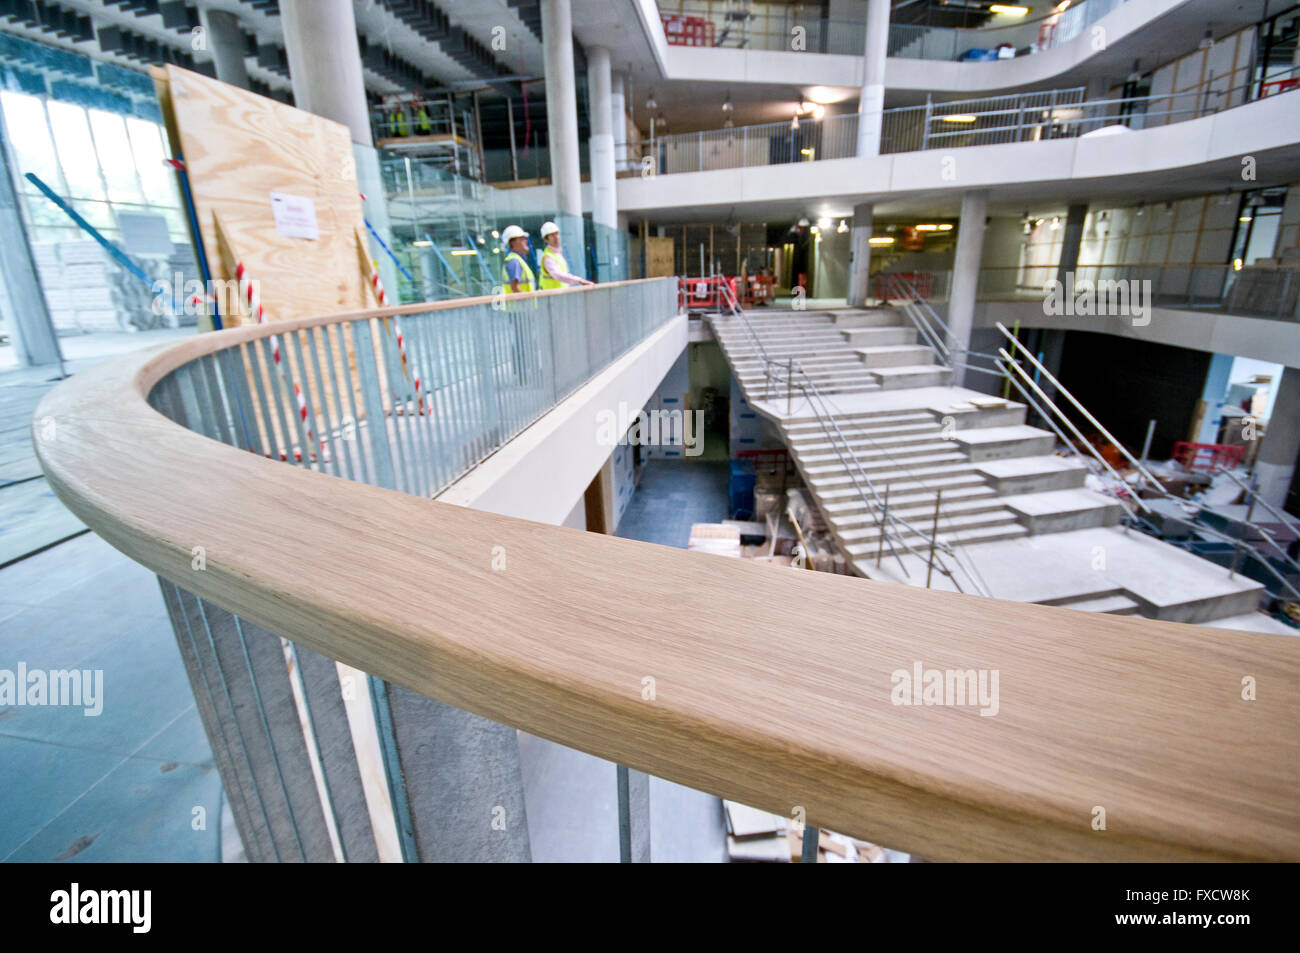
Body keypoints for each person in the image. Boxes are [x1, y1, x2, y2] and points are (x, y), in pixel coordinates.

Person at [537, 221, 594, 289]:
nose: (556, 237)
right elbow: (558, 275)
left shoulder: (557, 255)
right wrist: (579, 280)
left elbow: (564, 276)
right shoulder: (548, 257)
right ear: (546, 240)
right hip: (552, 297)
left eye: (557, 234)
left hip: (560, 295)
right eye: (552, 235)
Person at [500, 225, 535, 294]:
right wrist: (526, 303)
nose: (525, 241)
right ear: (512, 242)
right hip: (522, 304)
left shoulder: (518, 260)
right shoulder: (514, 261)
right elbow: (515, 288)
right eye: (522, 239)